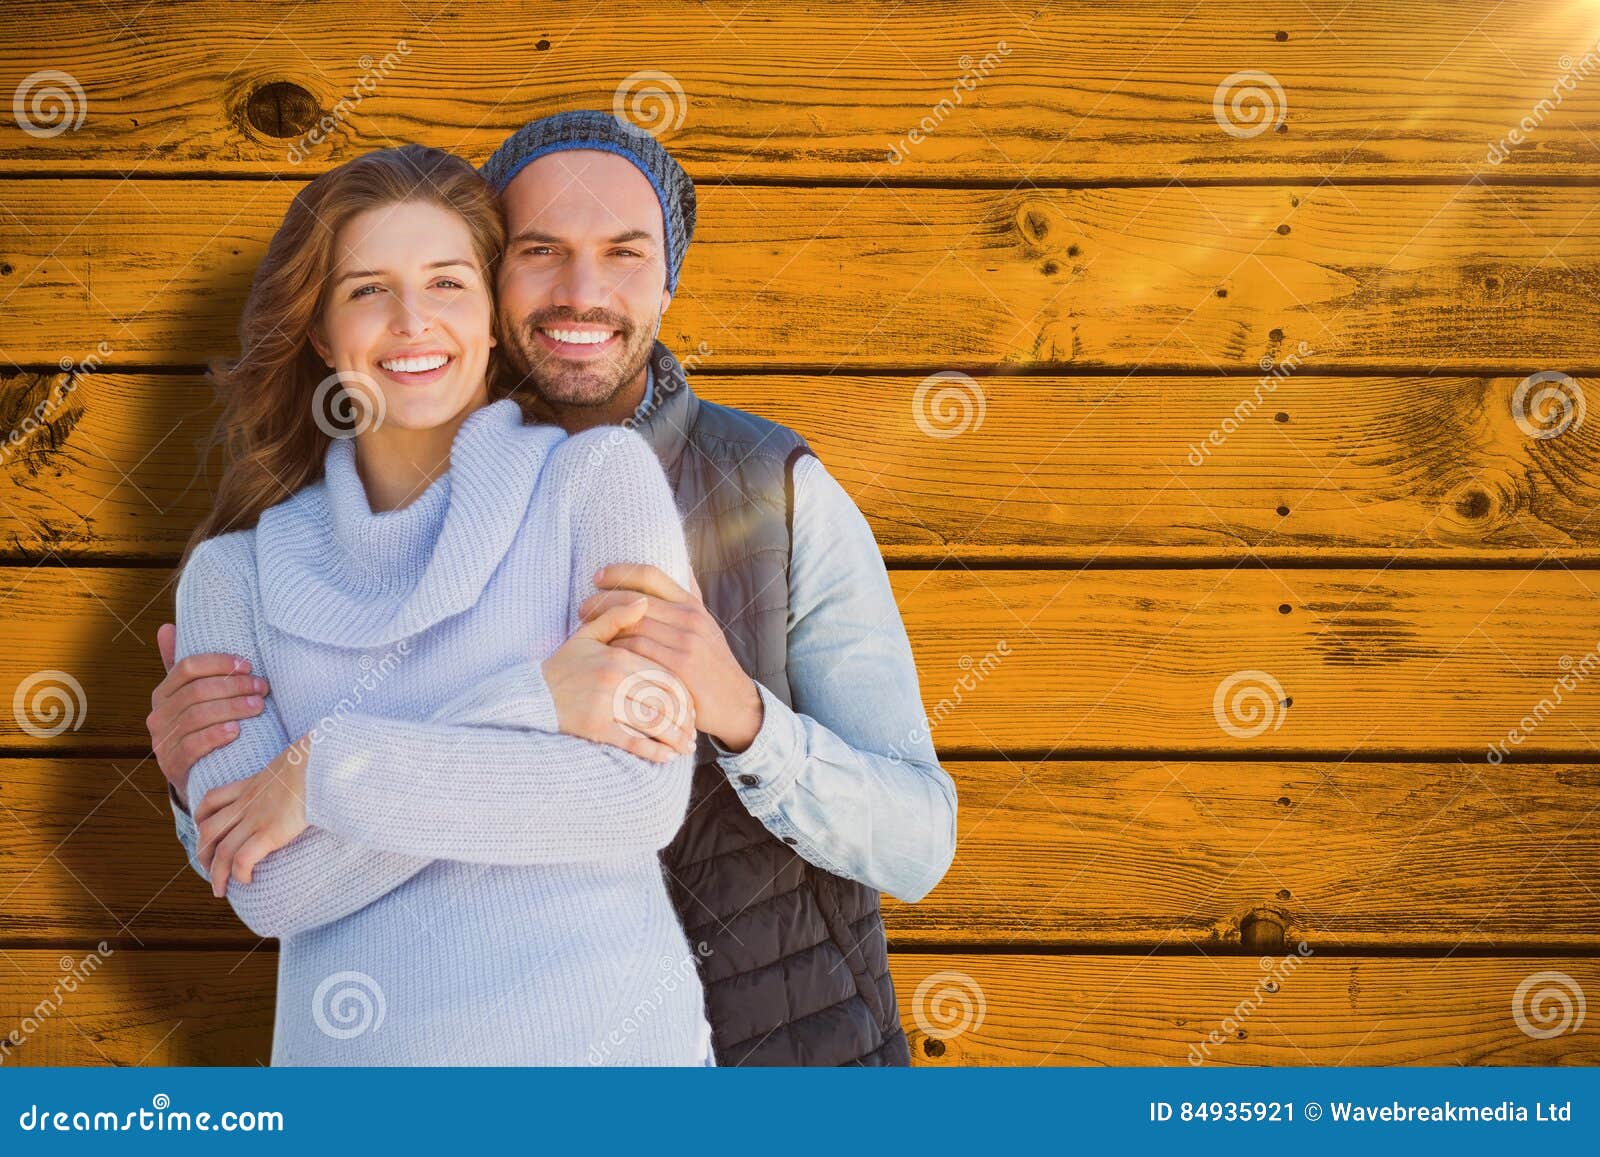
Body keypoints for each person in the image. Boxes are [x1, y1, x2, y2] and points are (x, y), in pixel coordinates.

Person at [152, 111, 959, 1067]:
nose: (582, 290)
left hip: (786, 1050)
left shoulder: (760, 489)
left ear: (669, 279)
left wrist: (743, 715)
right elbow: (267, 870)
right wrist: (211, 786)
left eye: (625, 252)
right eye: (540, 250)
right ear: (498, 286)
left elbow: (904, 839)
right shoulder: (253, 562)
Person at [160, 142, 714, 1066]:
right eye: (367, 289)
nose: (413, 321)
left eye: (448, 283)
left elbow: (636, 796)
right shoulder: (232, 577)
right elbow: (271, 884)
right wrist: (533, 702)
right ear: (322, 334)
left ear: (493, 318)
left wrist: (326, 769)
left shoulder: (596, 482)